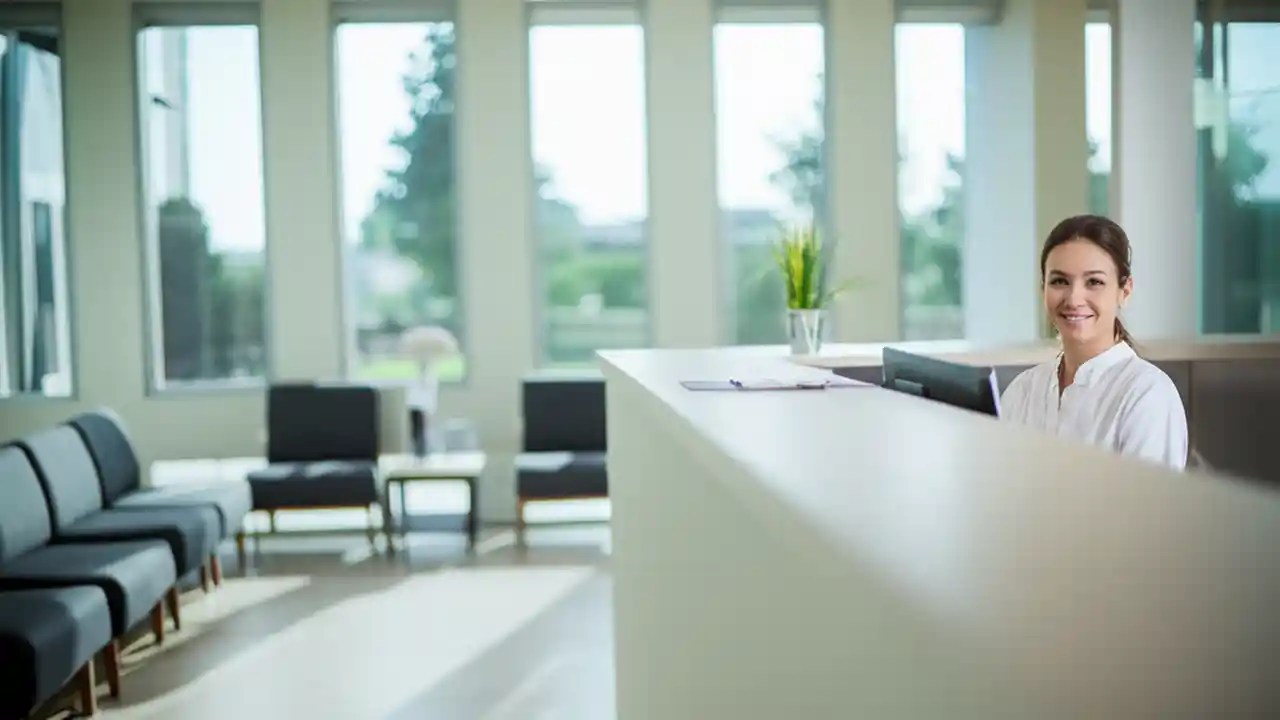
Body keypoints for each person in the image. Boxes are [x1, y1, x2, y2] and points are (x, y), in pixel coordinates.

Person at [1000, 215, 1188, 469]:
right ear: (1043, 288)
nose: (1074, 298)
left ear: (1125, 291)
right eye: (1059, 281)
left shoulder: (1147, 394)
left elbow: (1149, 506)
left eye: (1094, 282)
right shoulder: (1023, 390)